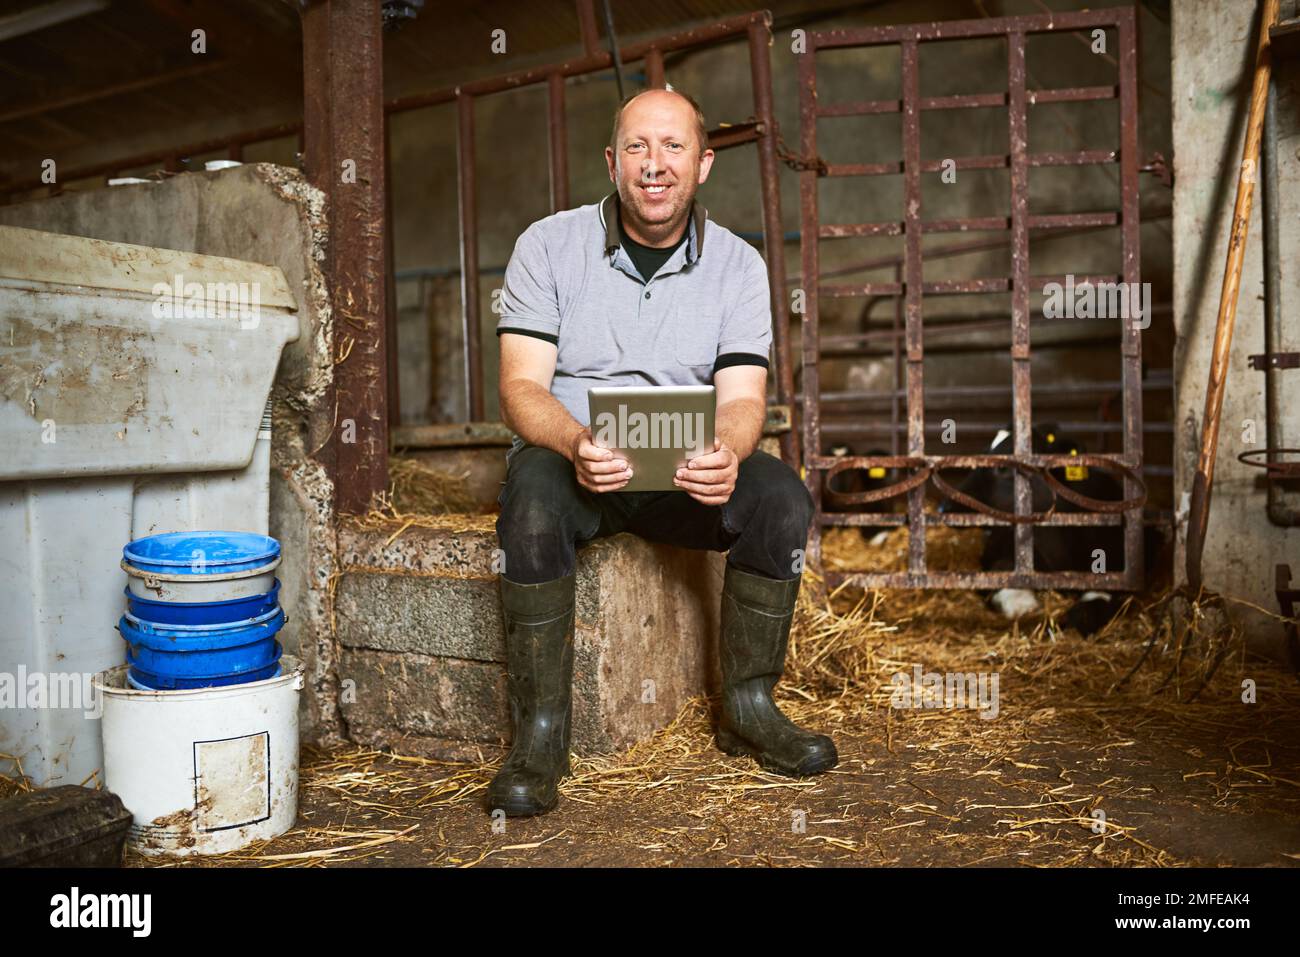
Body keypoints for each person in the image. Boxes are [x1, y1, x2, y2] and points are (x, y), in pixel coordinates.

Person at [490, 85, 836, 817]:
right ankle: (541, 736)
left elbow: (743, 399)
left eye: (673, 147)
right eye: (639, 148)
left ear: (704, 163)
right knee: (529, 501)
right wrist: (576, 441)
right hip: (578, 458)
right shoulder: (547, 246)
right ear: (613, 162)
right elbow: (521, 388)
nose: (656, 165)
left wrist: (729, 452)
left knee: (781, 496)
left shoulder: (739, 265)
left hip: (682, 467)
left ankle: (748, 706)